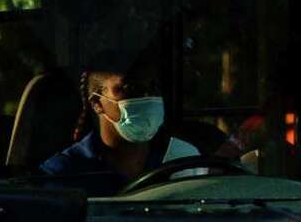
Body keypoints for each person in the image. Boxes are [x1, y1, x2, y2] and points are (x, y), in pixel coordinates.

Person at [40, 56, 200, 194]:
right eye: (130, 87)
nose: (147, 96)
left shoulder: (182, 158)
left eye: (153, 87)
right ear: (97, 103)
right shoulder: (64, 174)